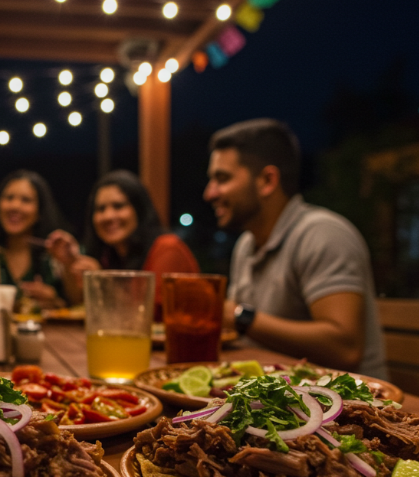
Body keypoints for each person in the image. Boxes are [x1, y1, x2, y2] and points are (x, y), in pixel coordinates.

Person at [203, 118, 387, 377]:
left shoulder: (322, 234)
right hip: (280, 396)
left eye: (222, 179)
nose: (209, 193)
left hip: (348, 405)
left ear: (267, 180)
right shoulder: (247, 244)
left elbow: (345, 349)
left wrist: (240, 316)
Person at [49, 170, 199, 318]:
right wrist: (68, 263)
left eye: (118, 206)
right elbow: (79, 304)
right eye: (100, 209)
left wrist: (103, 281)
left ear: (139, 210)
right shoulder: (112, 254)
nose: (108, 216)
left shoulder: (168, 248)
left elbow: (146, 316)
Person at [0, 170, 70, 310]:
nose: (15, 206)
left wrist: (56, 301)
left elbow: (76, 305)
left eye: (26, 200)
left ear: (40, 211)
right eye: (9, 198)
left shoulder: (53, 256)